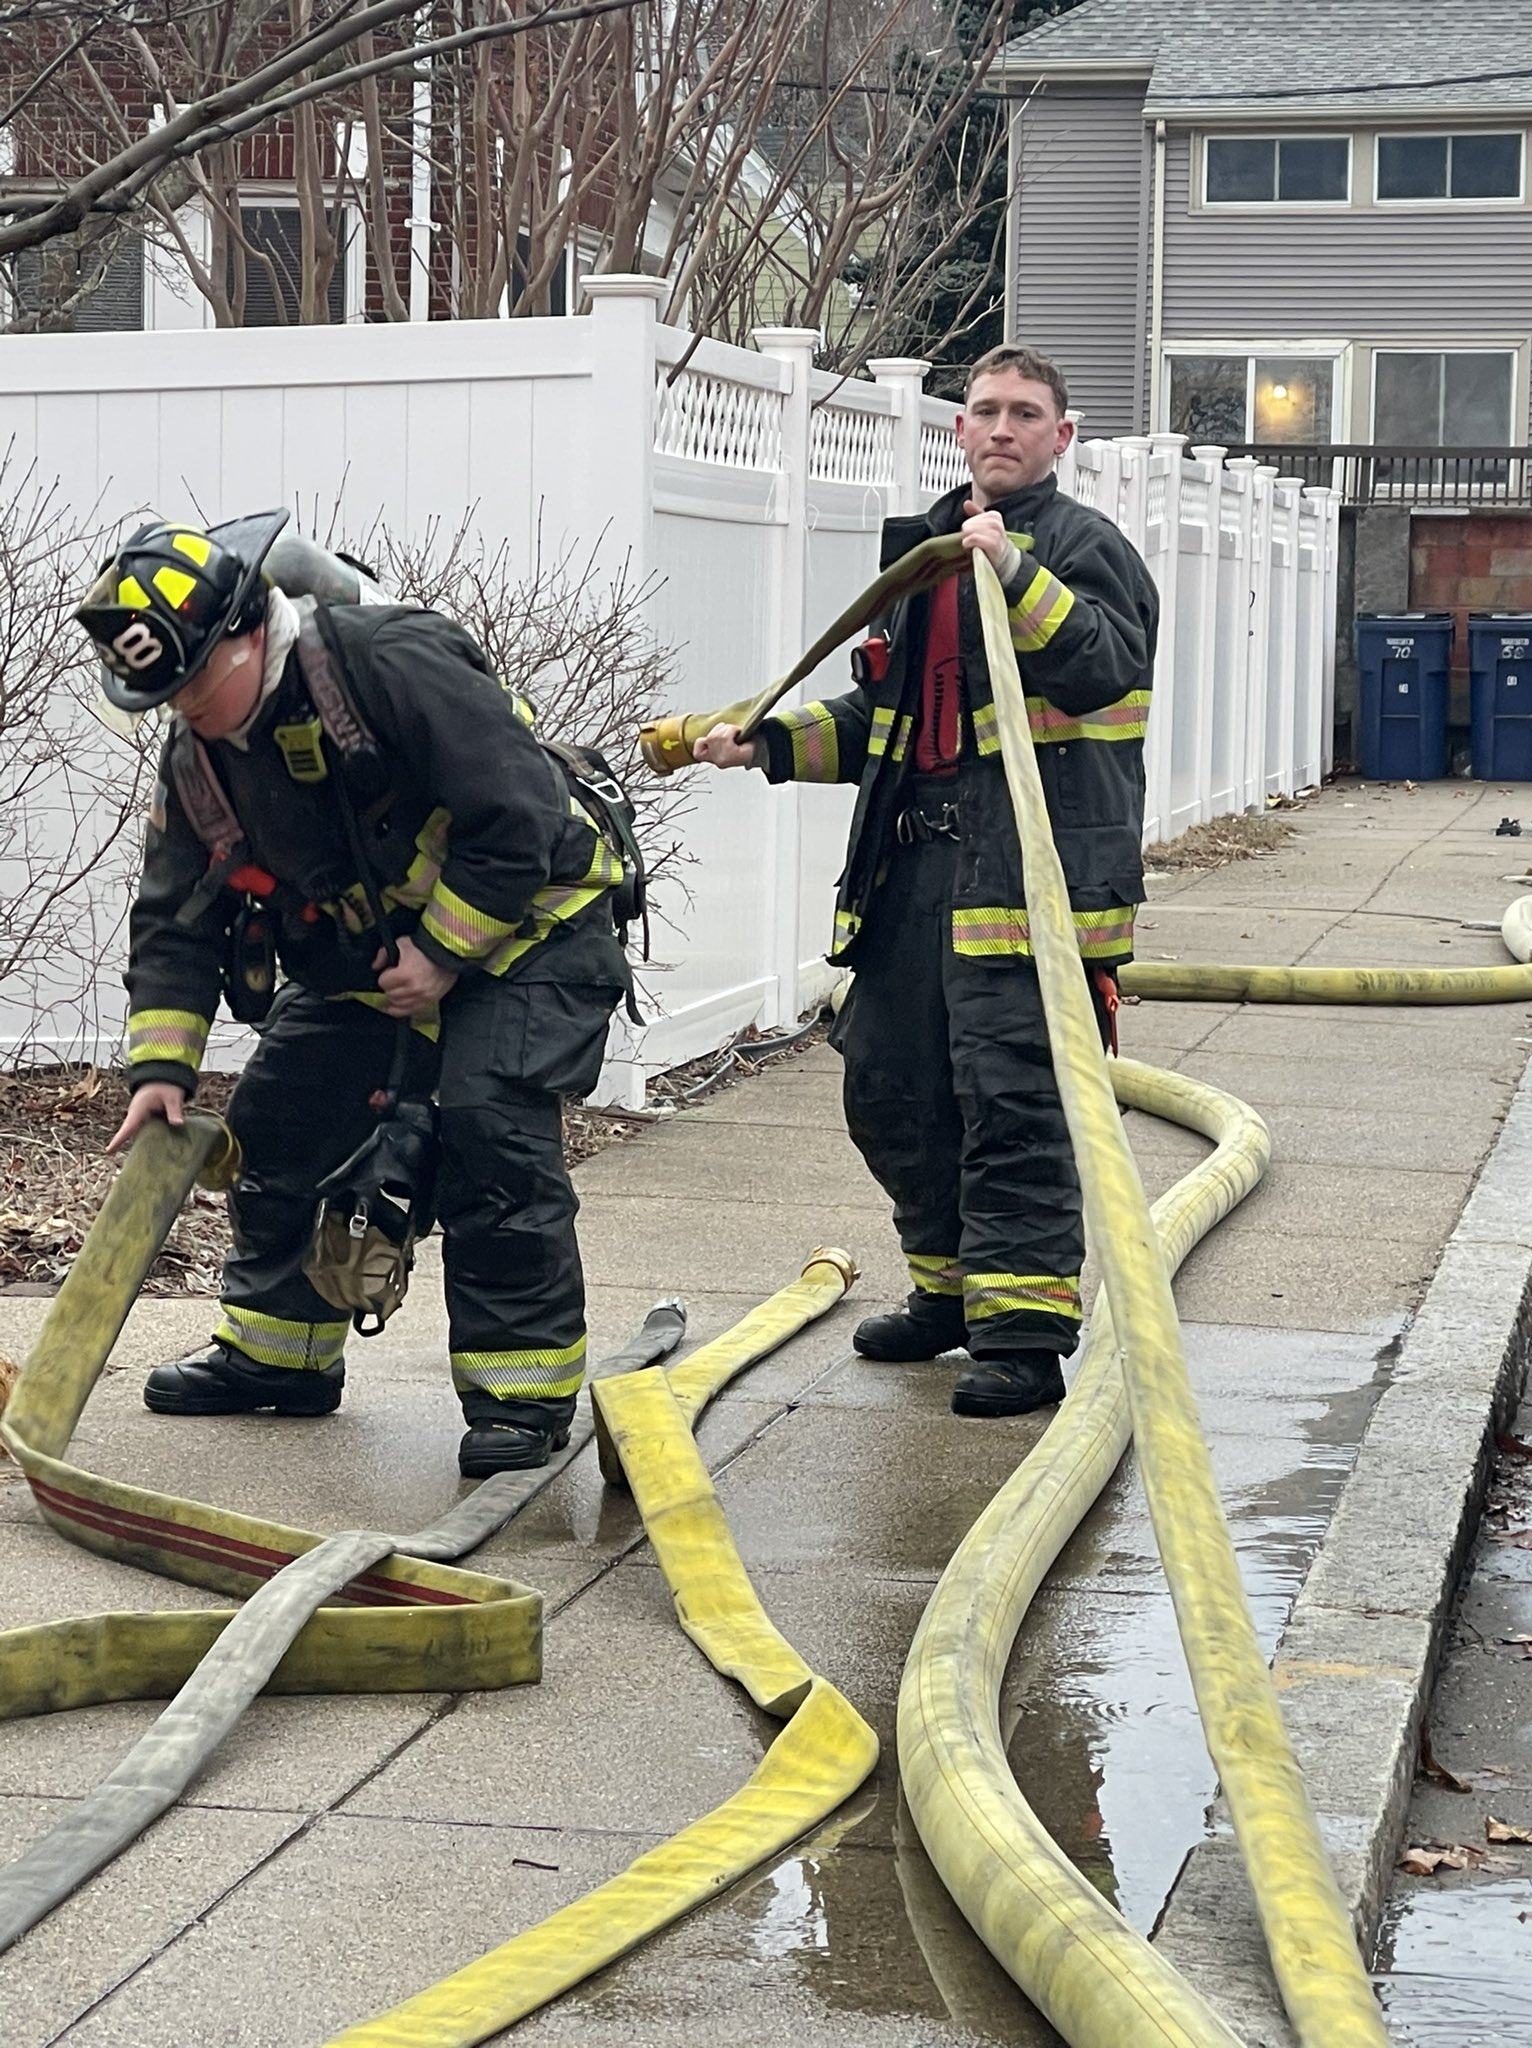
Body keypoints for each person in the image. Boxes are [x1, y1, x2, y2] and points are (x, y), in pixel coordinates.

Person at [77, 510, 628, 1475]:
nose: (188, 708)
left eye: (197, 682)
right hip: (372, 959)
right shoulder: (200, 754)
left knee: (487, 1129)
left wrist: (443, 952)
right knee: (282, 1120)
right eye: (167, 695)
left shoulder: (388, 663)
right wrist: (161, 1069)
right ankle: (279, 1357)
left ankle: (521, 1396)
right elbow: (175, 916)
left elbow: (520, 818)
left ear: (252, 630)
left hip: (532, 930)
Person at [694, 344, 1158, 1418]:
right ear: (959, 429)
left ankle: (1023, 1336)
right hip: (915, 868)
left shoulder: (1086, 549)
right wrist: (764, 742)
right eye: (985, 410)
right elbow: (884, 720)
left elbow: (1102, 666)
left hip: (1032, 884)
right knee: (891, 1086)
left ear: (1061, 436)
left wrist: (1014, 573)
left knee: (1013, 1103)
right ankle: (947, 1292)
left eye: (1026, 413)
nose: (1002, 428)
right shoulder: (923, 558)